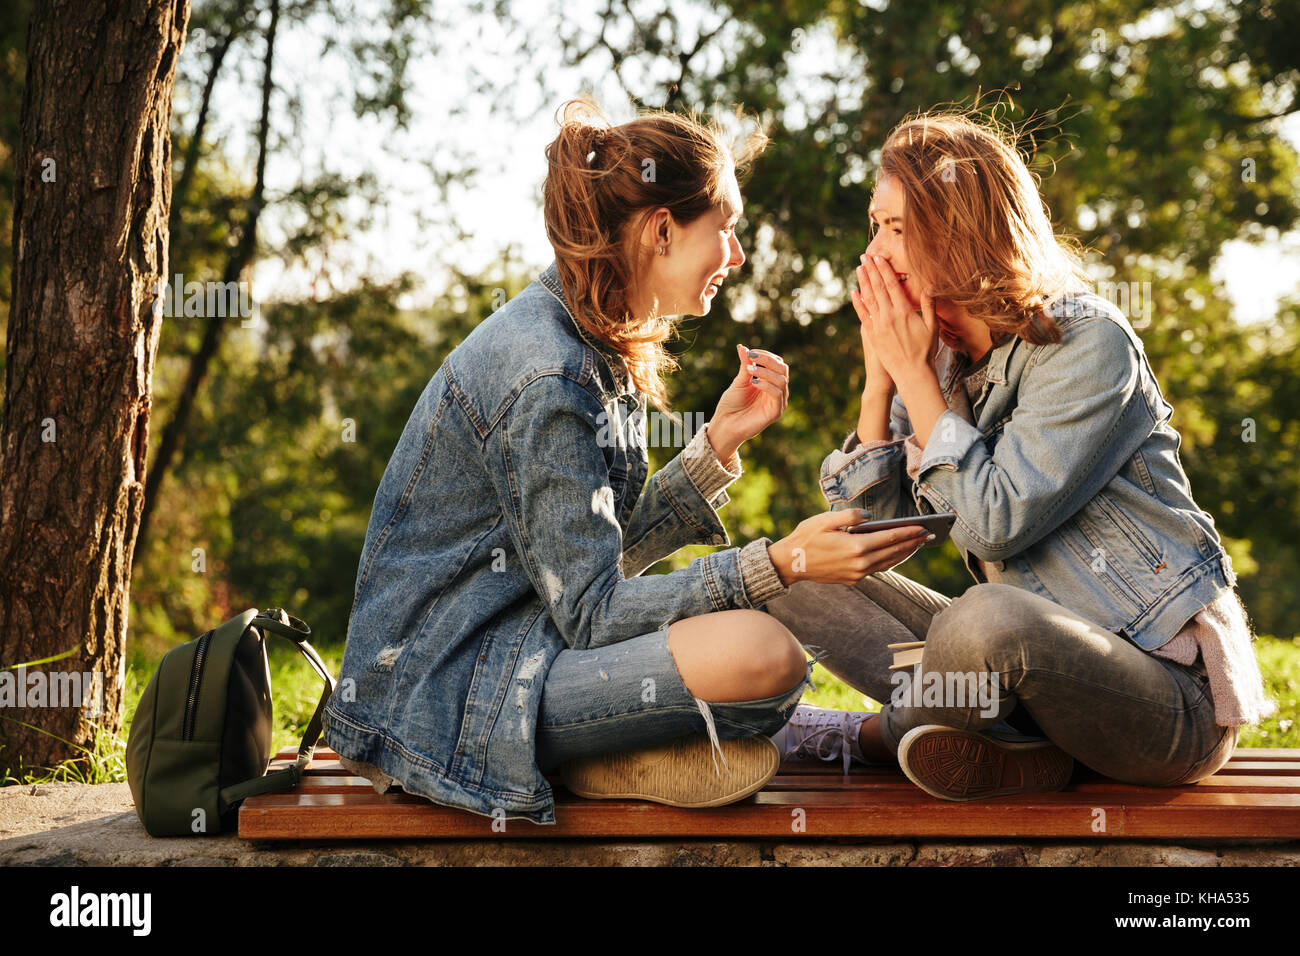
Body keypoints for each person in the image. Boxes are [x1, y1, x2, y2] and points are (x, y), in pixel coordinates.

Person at [321, 98, 934, 824]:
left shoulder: (585, 337)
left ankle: (623, 750)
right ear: (663, 229)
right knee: (767, 658)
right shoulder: (550, 375)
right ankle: (598, 755)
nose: (736, 256)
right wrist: (785, 563)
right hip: (455, 694)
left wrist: (714, 450)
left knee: (757, 649)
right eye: (726, 230)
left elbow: (580, 559)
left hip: (529, 648)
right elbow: (595, 612)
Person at [766, 109, 1274, 800]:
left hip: (1165, 698)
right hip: (1023, 685)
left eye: (894, 229)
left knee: (985, 618)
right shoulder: (936, 356)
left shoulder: (1087, 343)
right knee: (791, 566)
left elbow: (992, 524)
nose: (874, 255)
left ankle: (868, 738)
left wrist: (914, 378)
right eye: (873, 226)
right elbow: (869, 537)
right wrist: (880, 375)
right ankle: (1016, 748)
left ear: (959, 229)